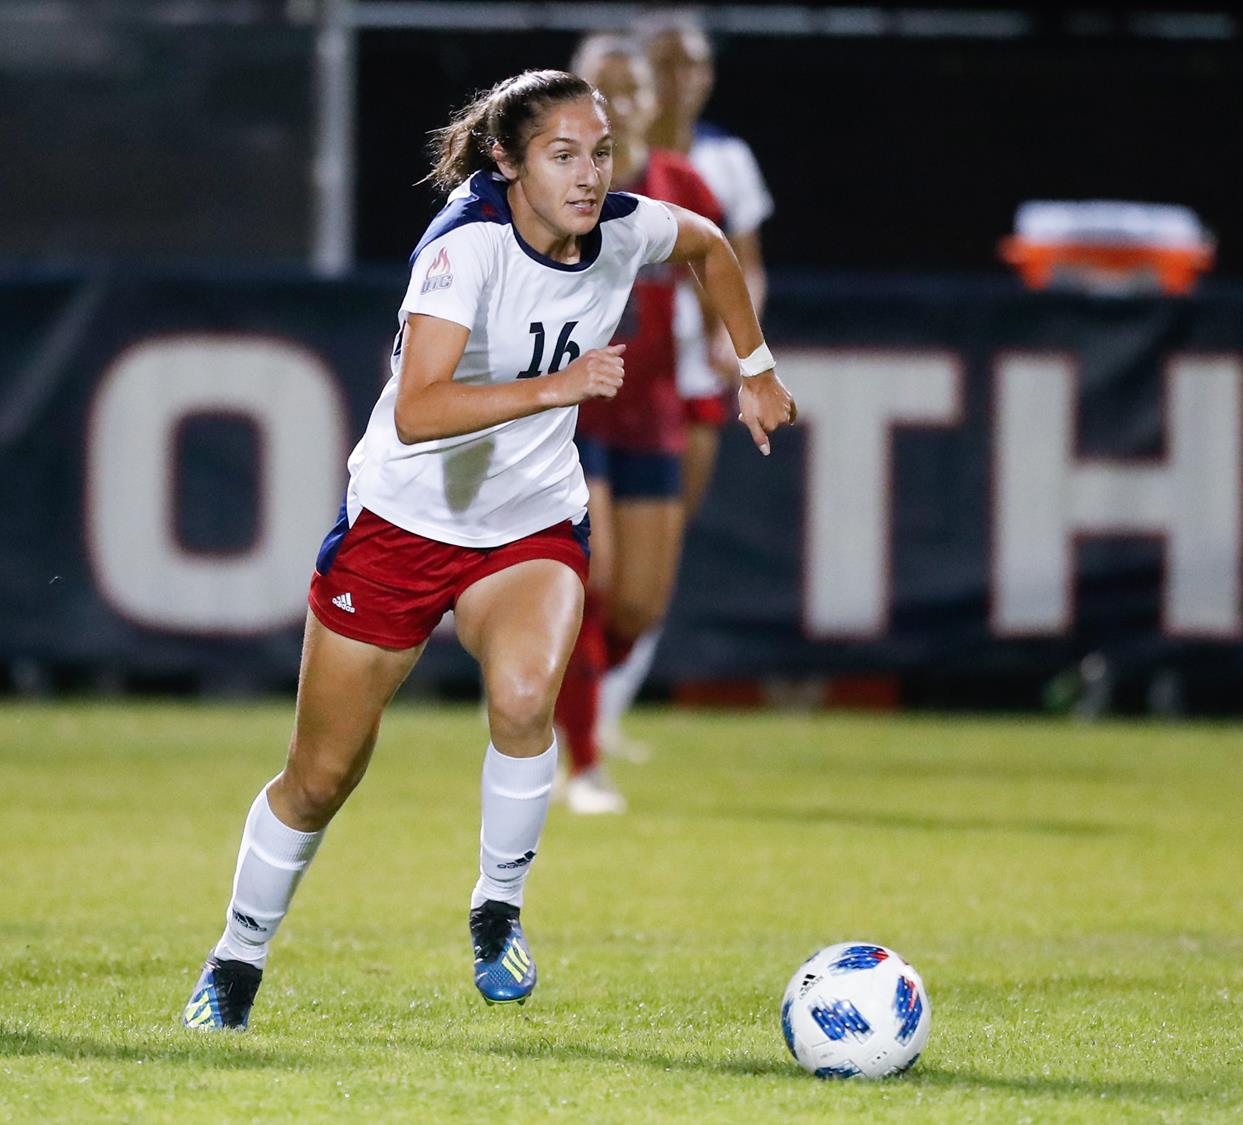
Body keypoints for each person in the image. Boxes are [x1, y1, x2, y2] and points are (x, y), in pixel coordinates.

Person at [180, 67, 793, 1029]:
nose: (590, 176)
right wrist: (557, 387)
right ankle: (236, 958)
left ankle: (497, 908)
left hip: (529, 523)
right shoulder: (465, 251)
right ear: (507, 162)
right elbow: (421, 410)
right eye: (563, 156)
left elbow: (712, 247)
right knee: (321, 776)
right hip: (399, 525)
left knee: (521, 696)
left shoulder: (623, 229)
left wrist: (755, 369)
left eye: (599, 153)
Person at [593, 10, 778, 757]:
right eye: (666, 64)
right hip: (598, 386)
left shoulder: (721, 162)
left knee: (650, 569)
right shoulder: (590, 152)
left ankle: (598, 710)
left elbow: (745, 262)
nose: (682, 80)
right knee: (593, 563)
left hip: (684, 381)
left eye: (694, 64)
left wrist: (739, 342)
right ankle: (565, 713)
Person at [551, 34, 725, 815]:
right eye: (602, 90)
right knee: (599, 578)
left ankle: (564, 701)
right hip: (573, 408)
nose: (618, 106)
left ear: (652, 102)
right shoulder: (551, 185)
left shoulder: (683, 183)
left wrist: (739, 348)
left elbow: (718, 268)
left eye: (631, 93)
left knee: (641, 607)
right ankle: (580, 762)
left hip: (652, 412)